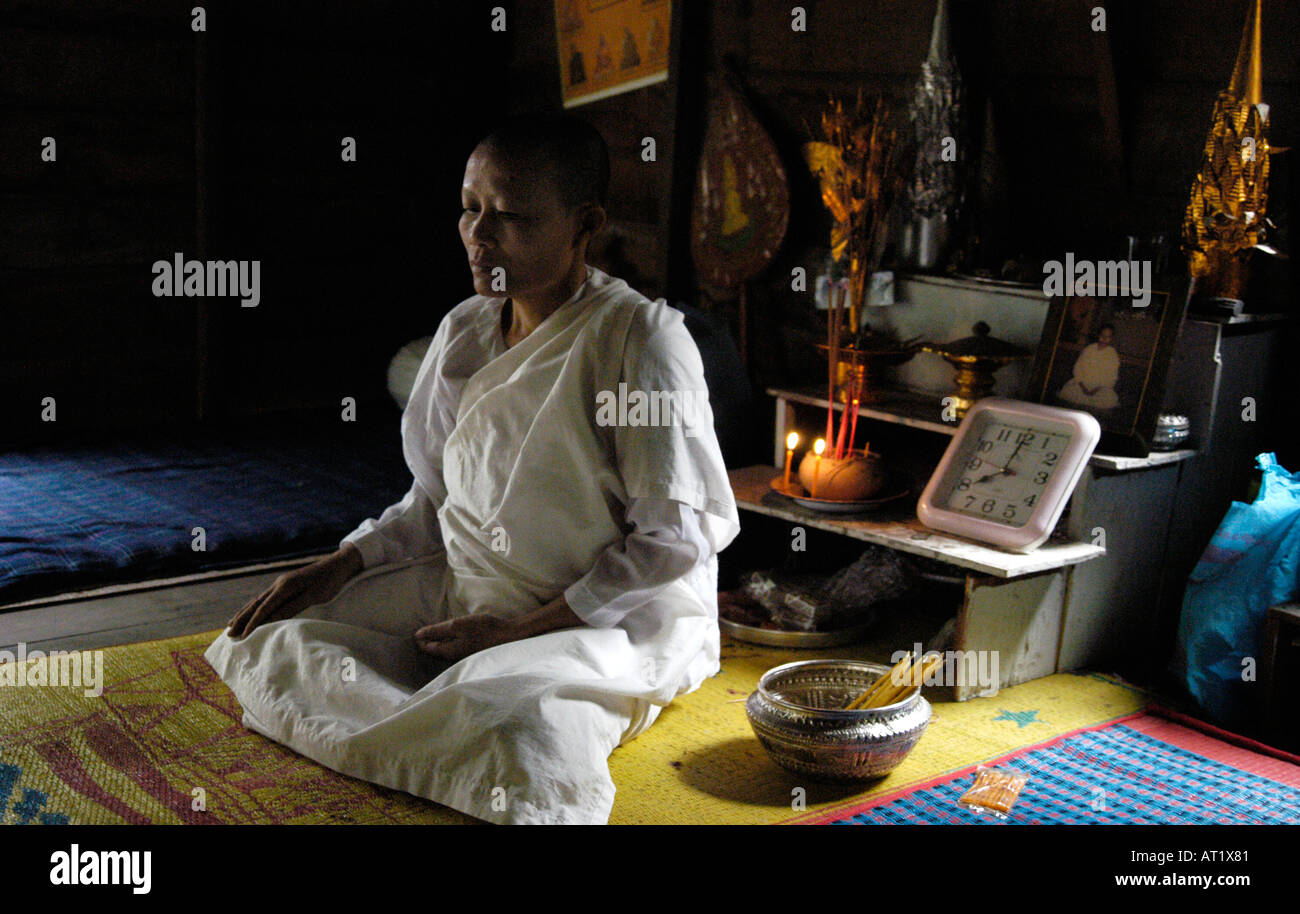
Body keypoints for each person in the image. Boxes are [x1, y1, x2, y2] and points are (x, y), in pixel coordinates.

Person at [206, 113, 740, 825]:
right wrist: (342, 563)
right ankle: (435, 713)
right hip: (470, 581)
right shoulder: (464, 331)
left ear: (585, 225)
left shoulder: (638, 342)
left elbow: (669, 544)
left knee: (515, 725)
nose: (479, 236)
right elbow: (436, 498)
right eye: (470, 208)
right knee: (274, 639)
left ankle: (460, 702)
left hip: (604, 618)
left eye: (511, 217)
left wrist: (518, 634)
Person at [1057, 323, 1121, 411]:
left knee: (1107, 400)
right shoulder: (1089, 349)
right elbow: (1078, 368)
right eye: (1102, 335)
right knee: (1069, 392)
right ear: (1098, 335)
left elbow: (1112, 376)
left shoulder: (1112, 354)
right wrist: (1083, 386)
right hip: (1082, 384)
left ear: (1112, 338)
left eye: (1108, 337)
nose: (1104, 339)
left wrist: (1096, 389)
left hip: (1100, 388)